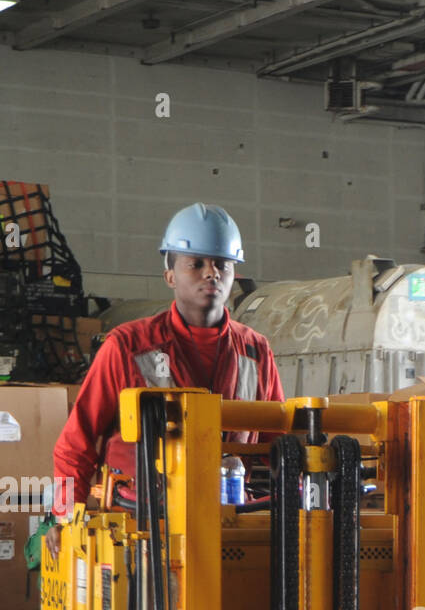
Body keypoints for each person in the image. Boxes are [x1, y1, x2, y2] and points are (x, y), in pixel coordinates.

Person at [47, 202, 284, 557]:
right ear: (170, 275)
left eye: (222, 264)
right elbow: (75, 443)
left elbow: (277, 444)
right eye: (196, 264)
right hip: (139, 528)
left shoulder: (255, 351)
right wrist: (65, 517)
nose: (211, 273)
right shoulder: (127, 346)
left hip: (226, 521)